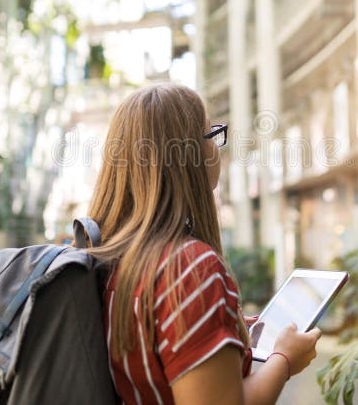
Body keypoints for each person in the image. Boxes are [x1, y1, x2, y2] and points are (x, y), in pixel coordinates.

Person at [87, 83, 321, 405]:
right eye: (211, 134)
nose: (217, 147)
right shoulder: (190, 268)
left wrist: (216, 326)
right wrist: (284, 358)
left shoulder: (112, 259)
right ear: (188, 156)